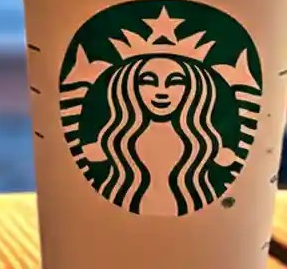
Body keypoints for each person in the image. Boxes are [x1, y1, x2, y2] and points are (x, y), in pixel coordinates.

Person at [78, 55, 240, 216]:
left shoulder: (209, 145)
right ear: (131, 86)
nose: (161, 92)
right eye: (148, 81)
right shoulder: (110, 143)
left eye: (175, 82)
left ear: (192, 87)